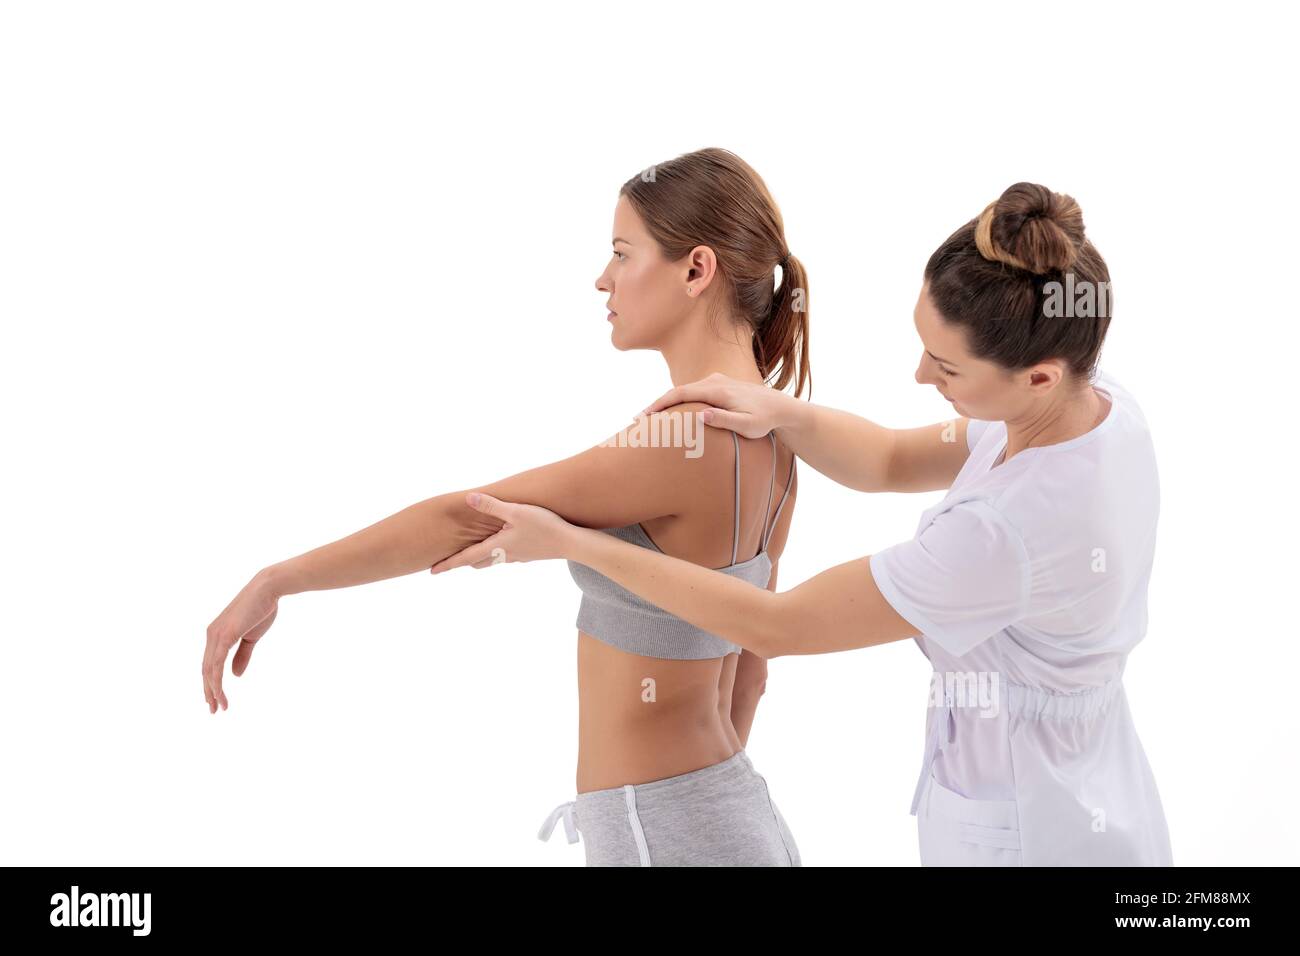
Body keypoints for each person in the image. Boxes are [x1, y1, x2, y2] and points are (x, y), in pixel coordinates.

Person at [431, 182, 1174, 866]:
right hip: (1090, 775)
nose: (921, 377)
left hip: (1031, 825)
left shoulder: (997, 537)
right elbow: (887, 458)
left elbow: (777, 628)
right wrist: (782, 411)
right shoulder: (1093, 407)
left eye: (945, 369)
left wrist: (572, 542)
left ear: (1038, 375)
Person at [203, 148, 808, 866]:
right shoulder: (777, 439)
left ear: (696, 269)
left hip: (664, 833)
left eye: (622, 253)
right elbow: (752, 670)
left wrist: (279, 579)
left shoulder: (685, 439)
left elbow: (469, 515)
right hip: (727, 813)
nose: (602, 278)